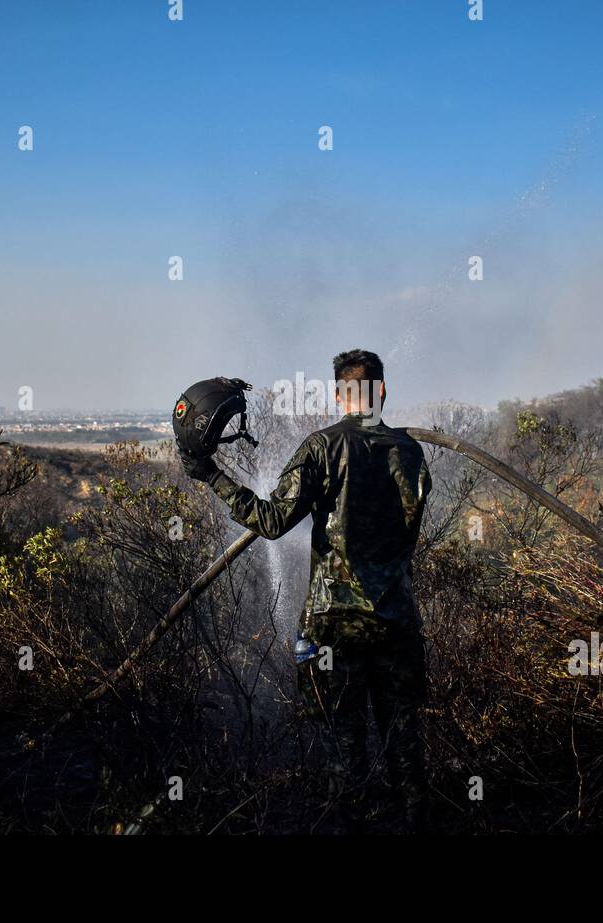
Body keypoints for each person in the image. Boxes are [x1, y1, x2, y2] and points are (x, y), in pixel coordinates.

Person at [180, 349, 431, 832]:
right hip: (398, 625)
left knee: (345, 754)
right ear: (382, 392)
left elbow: (272, 522)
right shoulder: (411, 451)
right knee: (406, 750)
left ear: (340, 395)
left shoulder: (322, 448)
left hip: (336, 628)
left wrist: (211, 475)